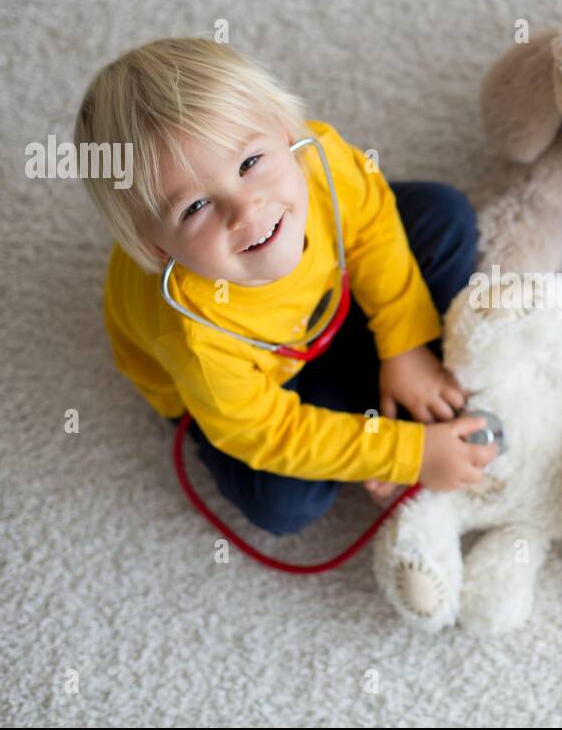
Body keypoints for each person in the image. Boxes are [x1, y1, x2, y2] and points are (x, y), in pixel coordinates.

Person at [75, 36, 496, 536]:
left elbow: (373, 226)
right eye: (194, 208)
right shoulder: (193, 339)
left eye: (251, 163)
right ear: (157, 249)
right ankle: (384, 406)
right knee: (284, 503)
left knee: (443, 214)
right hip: (258, 389)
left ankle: (401, 376)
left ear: (285, 132)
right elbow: (267, 432)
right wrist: (406, 454)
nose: (245, 209)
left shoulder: (324, 164)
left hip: (324, 301)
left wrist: (405, 342)